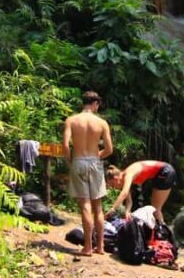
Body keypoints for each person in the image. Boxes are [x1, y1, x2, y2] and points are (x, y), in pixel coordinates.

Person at [63, 91, 113, 256]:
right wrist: (97, 155)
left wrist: (71, 160)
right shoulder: (102, 123)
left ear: (83, 103)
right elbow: (109, 149)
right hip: (94, 162)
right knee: (97, 207)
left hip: (78, 161)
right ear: (95, 104)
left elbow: (65, 145)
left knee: (85, 204)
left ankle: (87, 247)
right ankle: (100, 246)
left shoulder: (72, 120)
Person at [105, 161, 177, 223]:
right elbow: (129, 201)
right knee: (154, 208)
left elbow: (124, 193)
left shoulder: (128, 174)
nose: (114, 188)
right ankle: (159, 230)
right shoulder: (125, 180)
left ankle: (163, 231)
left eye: (113, 185)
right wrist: (127, 212)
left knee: (155, 209)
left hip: (165, 172)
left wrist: (113, 209)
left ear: (116, 179)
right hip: (159, 175)